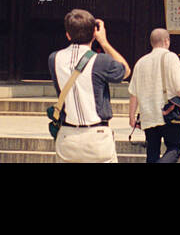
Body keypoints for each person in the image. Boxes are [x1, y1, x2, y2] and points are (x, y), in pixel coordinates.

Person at [48, 9, 131, 163]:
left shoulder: (53, 59)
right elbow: (125, 71)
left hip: (67, 136)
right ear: (94, 33)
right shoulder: (100, 61)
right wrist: (104, 42)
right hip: (97, 136)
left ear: (68, 35)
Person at [126, 28, 180, 164]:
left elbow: (133, 94)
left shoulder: (140, 62)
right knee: (175, 147)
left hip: (147, 115)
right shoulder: (170, 57)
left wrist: (131, 116)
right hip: (166, 114)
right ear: (166, 41)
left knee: (152, 152)